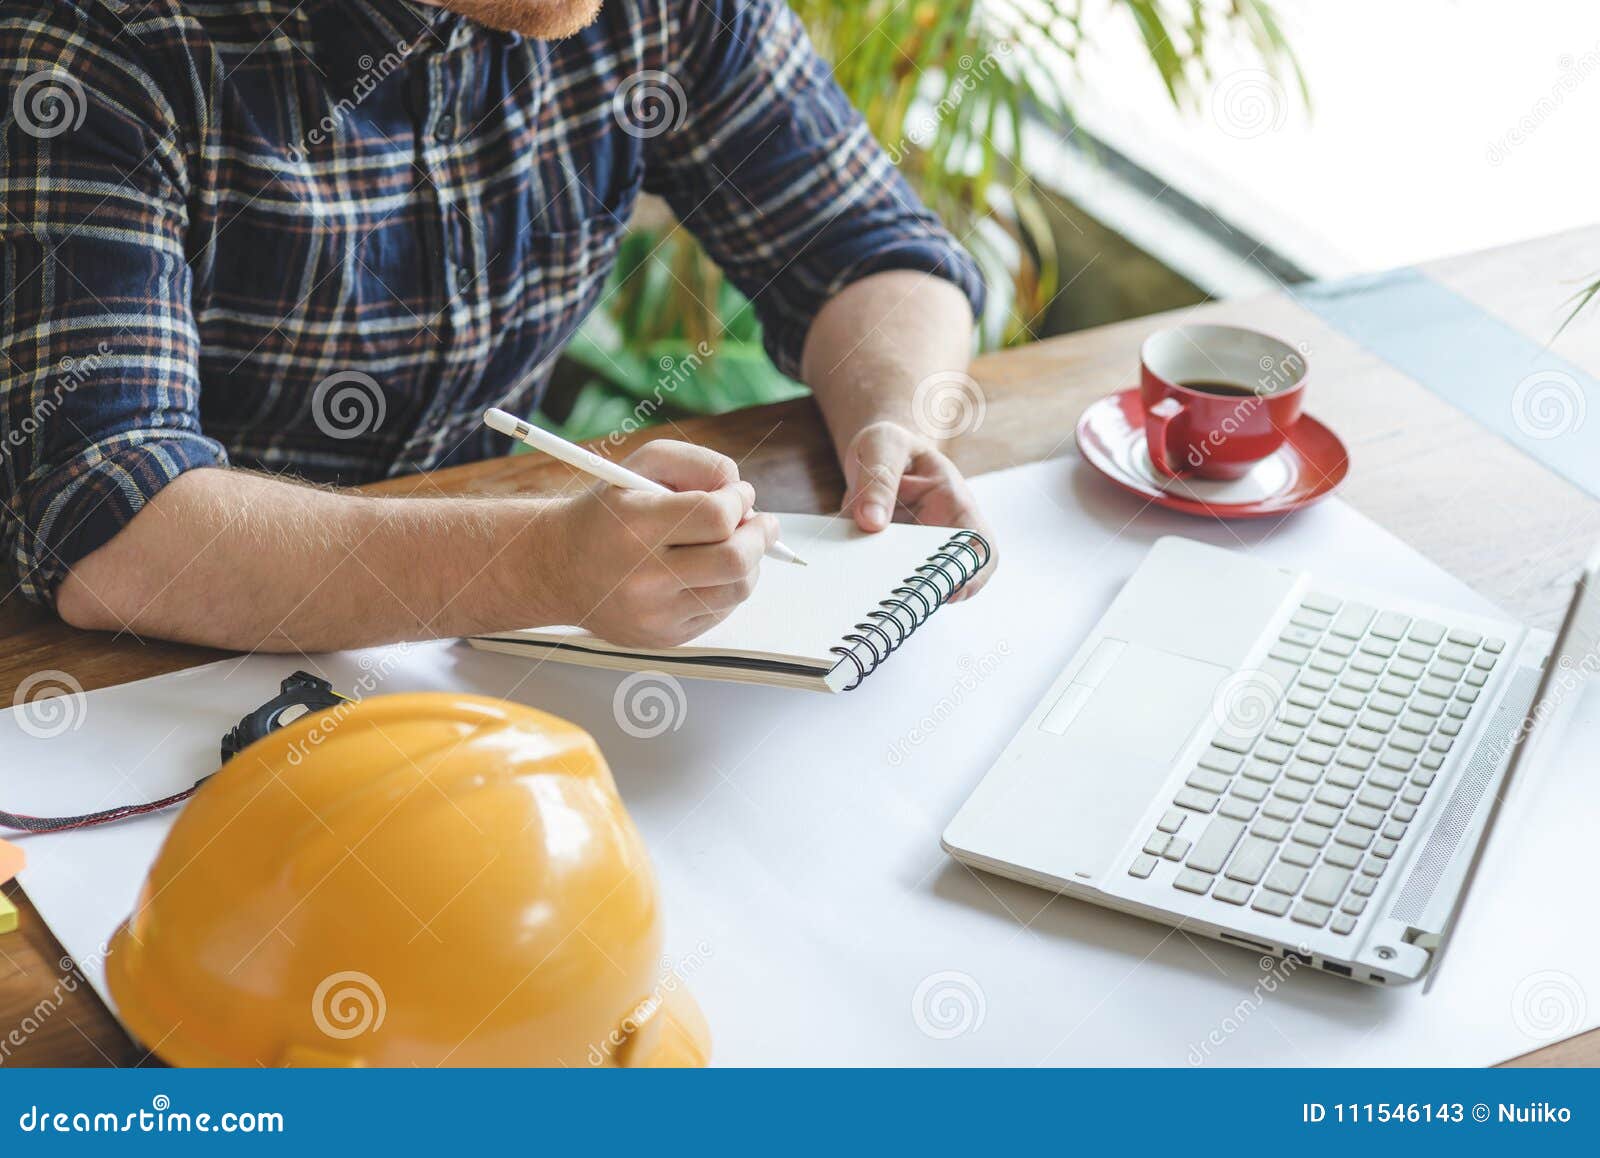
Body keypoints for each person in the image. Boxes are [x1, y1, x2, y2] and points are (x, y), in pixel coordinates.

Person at [0, 0, 994, 653]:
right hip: (113, 684)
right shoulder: (94, 40)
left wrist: (894, 421)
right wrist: (540, 567)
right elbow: (110, 524)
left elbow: (869, 245)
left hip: (462, 659)